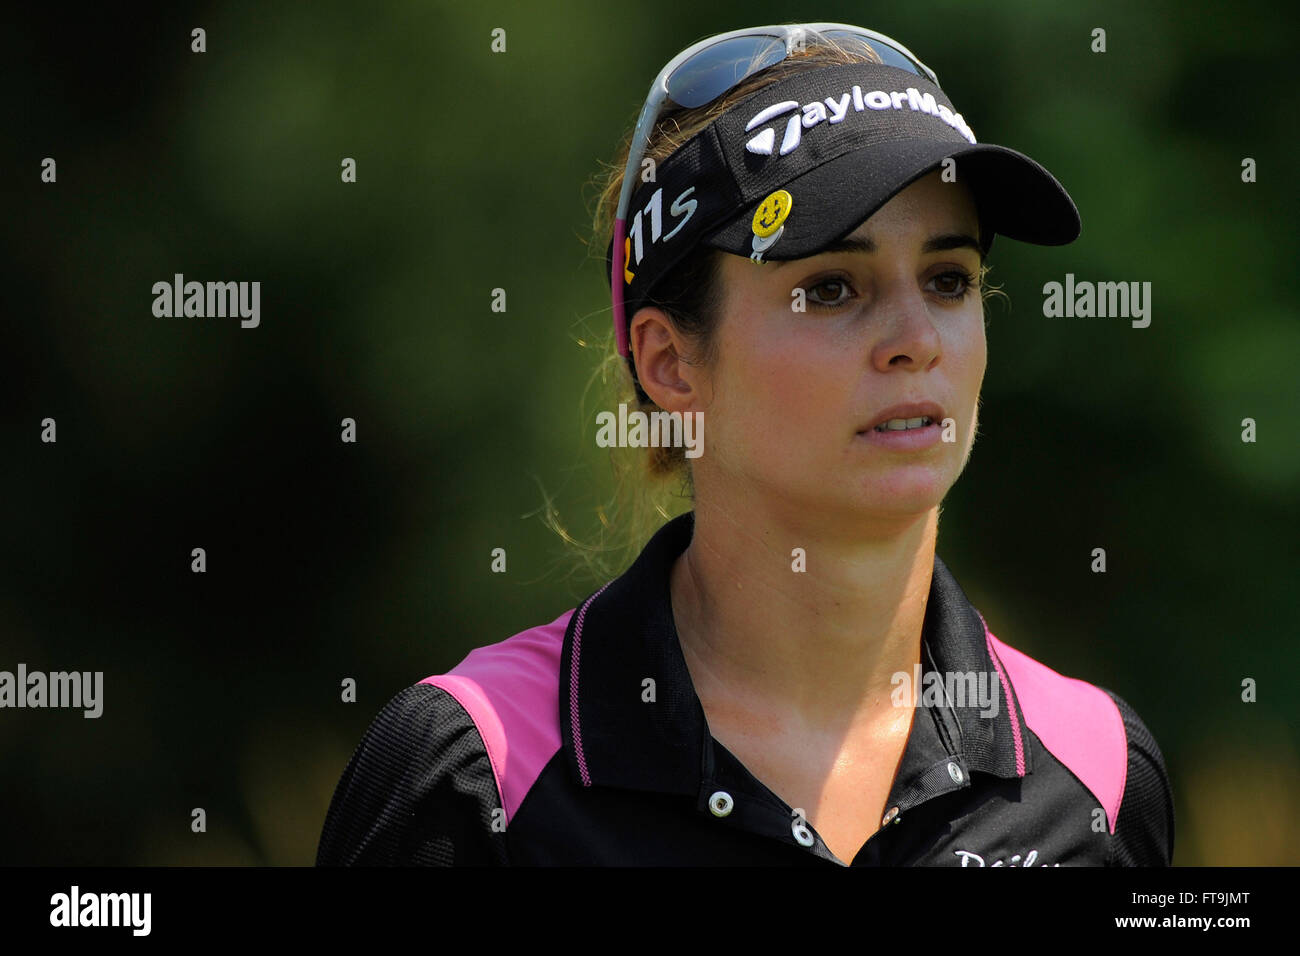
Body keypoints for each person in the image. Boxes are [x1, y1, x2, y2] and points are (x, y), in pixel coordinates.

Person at [316, 23, 1174, 867]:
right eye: (832, 287)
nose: (918, 338)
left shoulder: (1096, 772)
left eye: (949, 279)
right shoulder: (475, 775)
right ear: (671, 363)